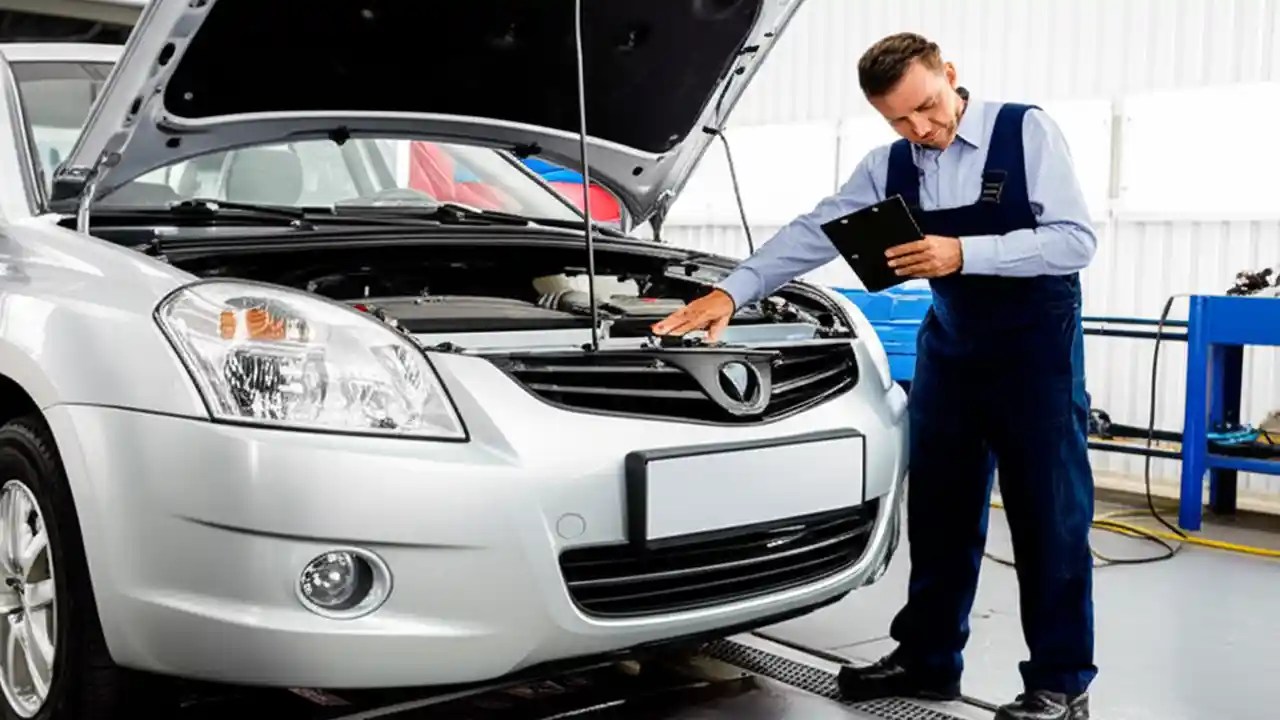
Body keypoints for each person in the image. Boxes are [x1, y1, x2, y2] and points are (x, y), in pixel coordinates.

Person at [650, 32, 1098, 720]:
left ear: (950, 73)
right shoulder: (888, 163)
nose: (920, 128)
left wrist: (962, 252)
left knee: (1049, 513)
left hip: (1038, 344)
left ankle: (1061, 684)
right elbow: (816, 230)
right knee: (940, 509)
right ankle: (927, 661)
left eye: (927, 106)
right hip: (951, 342)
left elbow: (1075, 239)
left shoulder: (1024, 129)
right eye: (899, 120)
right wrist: (731, 292)